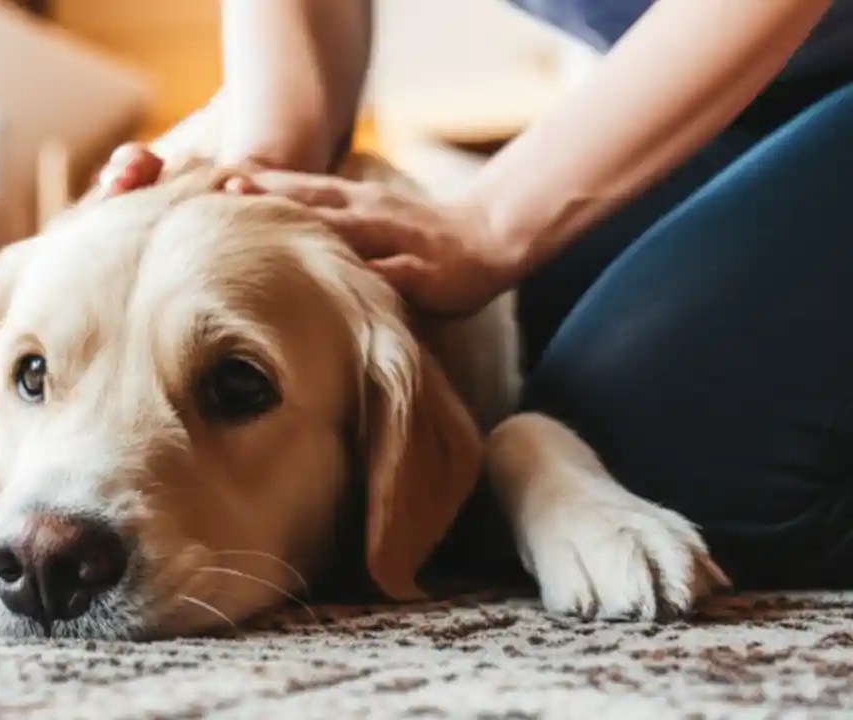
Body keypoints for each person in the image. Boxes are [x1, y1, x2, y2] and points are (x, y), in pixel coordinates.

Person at [98, 0, 853, 590]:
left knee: (681, 454)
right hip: (770, 90)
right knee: (541, 376)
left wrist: (489, 222)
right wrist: (263, 165)